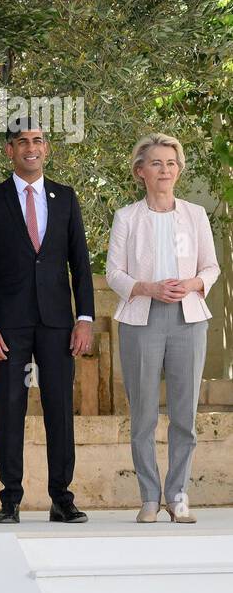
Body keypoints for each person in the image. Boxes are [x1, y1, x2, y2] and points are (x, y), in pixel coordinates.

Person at [0, 118, 94, 524]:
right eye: (22, 141)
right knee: (10, 409)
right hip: (8, 325)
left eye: (38, 140)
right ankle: (10, 499)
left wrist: (84, 318)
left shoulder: (66, 198)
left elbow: (80, 264)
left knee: (59, 408)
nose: (31, 147)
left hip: (58, 323)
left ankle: (62, 498)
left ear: (46, 148)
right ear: (10, 150)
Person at [105, 134, 219, 524]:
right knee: (143, 415)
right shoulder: (126, 217)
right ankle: (150, 498)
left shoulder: (196, 215)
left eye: (171, 163)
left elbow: (211, 267)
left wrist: (192, 283)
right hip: (141, 320)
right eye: (156, 163)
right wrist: (149, 288)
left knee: (185, 415)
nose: (165, 170)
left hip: (189, 320)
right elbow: (114, 273)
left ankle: (178, 497)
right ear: (141, 171)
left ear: (179, 170)